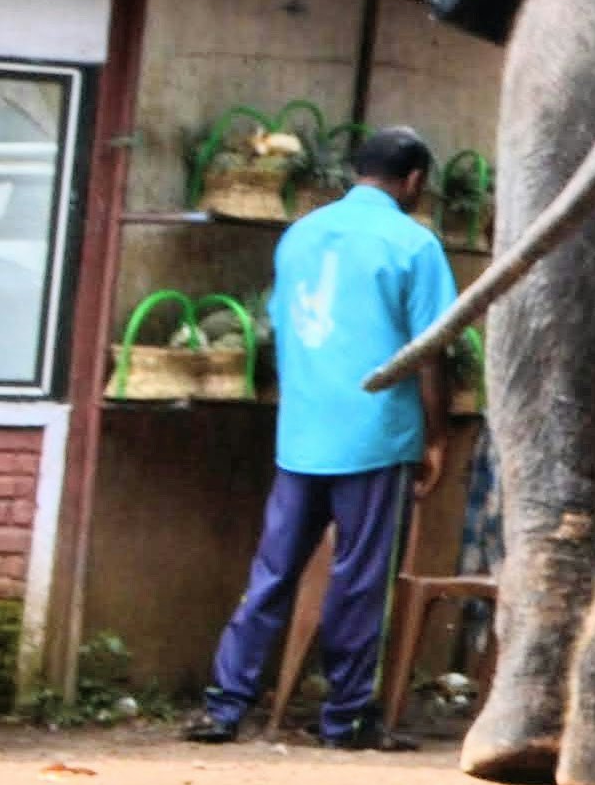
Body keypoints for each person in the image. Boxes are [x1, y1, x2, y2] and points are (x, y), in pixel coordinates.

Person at [185, 127, 462, 749]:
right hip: (375, 436)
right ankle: (346, 718)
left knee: (274, 571)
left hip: (303, 433)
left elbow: (283, 324)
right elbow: (431, 351)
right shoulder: (415, 244)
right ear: (414, 181)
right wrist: (435, 437)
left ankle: (224, 707)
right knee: (360, 577)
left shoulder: (301, 233)